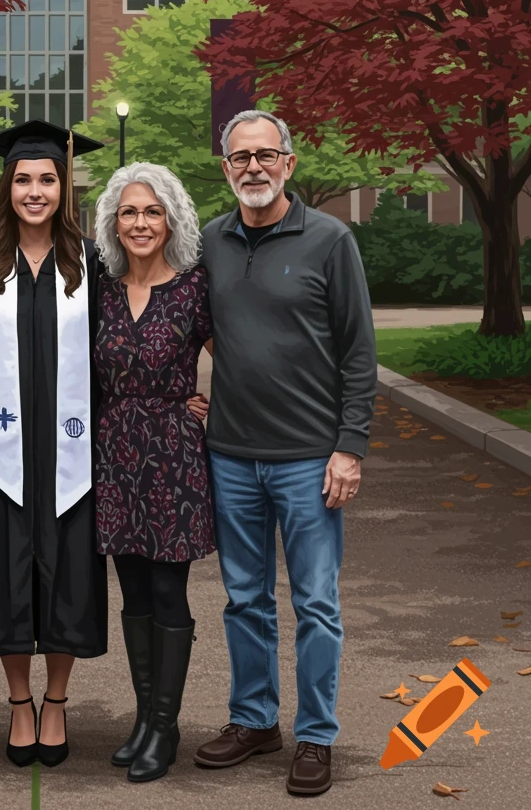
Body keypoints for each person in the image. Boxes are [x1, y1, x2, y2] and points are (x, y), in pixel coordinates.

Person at [192, 110, 377, 797]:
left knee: (316, 604)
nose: (254, 168)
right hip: (232, 455)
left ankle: (317, 736)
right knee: (244, 599)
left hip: (308, 459)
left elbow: (358, 353)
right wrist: (217, 385)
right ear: (226, 168)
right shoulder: (211, 240)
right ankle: (253, 720)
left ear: (290, 163)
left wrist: (349, 448)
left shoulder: (330, 240)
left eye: (266, 155)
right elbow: (202, 329)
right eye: (240, 158)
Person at [0, 119, 109, 770]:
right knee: (7, 574)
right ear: (7, 186)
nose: (34, 190)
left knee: (69, 575)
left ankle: (57, 700)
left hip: (73, 451)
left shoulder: (92, 264)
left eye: (47, 179)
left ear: (64, 187)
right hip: (0, 449)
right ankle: (18, 701)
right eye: (22, 178)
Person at [93, 162, 215, 783]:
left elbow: (241, 360)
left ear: (172, 220)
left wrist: (213, 404)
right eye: (129, 213)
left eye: (152, 212)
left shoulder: (194, 288)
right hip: (114, 455)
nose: (140, 224)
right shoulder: (102, 291)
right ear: (113, 223)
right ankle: (144, 718)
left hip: (172, 454)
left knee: (169, 590)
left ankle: (165, 727)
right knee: (133, 592)